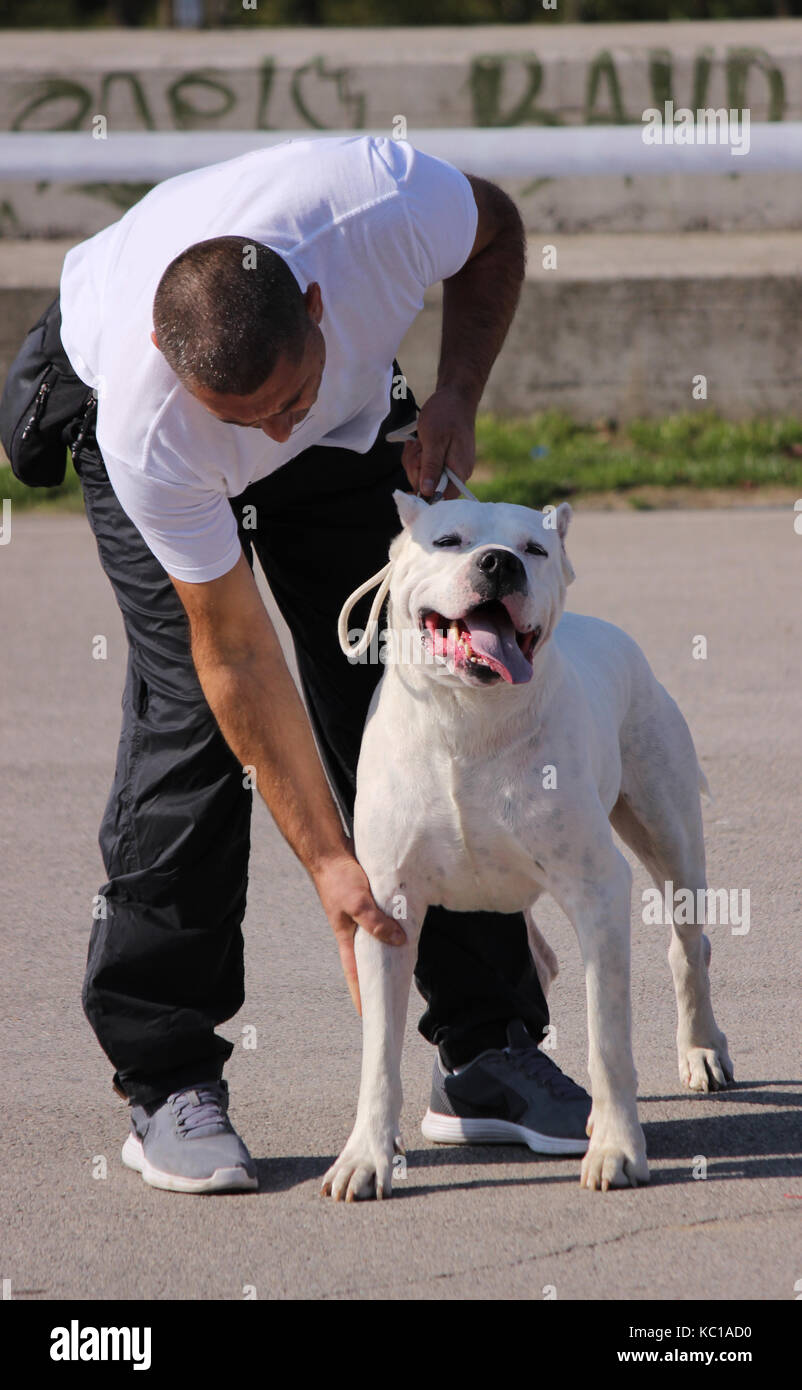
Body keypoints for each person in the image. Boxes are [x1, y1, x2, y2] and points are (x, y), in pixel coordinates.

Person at [47, 134, 590, 1192]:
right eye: (246, 421)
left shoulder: (384, 207)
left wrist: (458, 393)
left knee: (426, 679)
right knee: (191, 732)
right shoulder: (148, 422)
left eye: (288, 400)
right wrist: (337, 873)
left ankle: (486, 1048)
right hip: (164, 472)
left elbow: (499, 236)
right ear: (171, 366)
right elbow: (240, 659)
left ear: (318, 303)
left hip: (360, 439)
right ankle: (168, 1077)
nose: (274, 431)